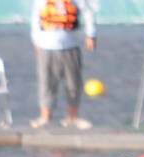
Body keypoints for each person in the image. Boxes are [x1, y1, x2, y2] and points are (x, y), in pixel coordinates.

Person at [30, 1, 96, 130]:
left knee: (73, 84)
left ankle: (72, 117)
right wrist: (36, 40)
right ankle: (45, 117)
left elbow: (88, 14)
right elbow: (35, 18)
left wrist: (91, 35)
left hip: (70, 46)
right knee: (47, 83)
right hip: (46, 47)